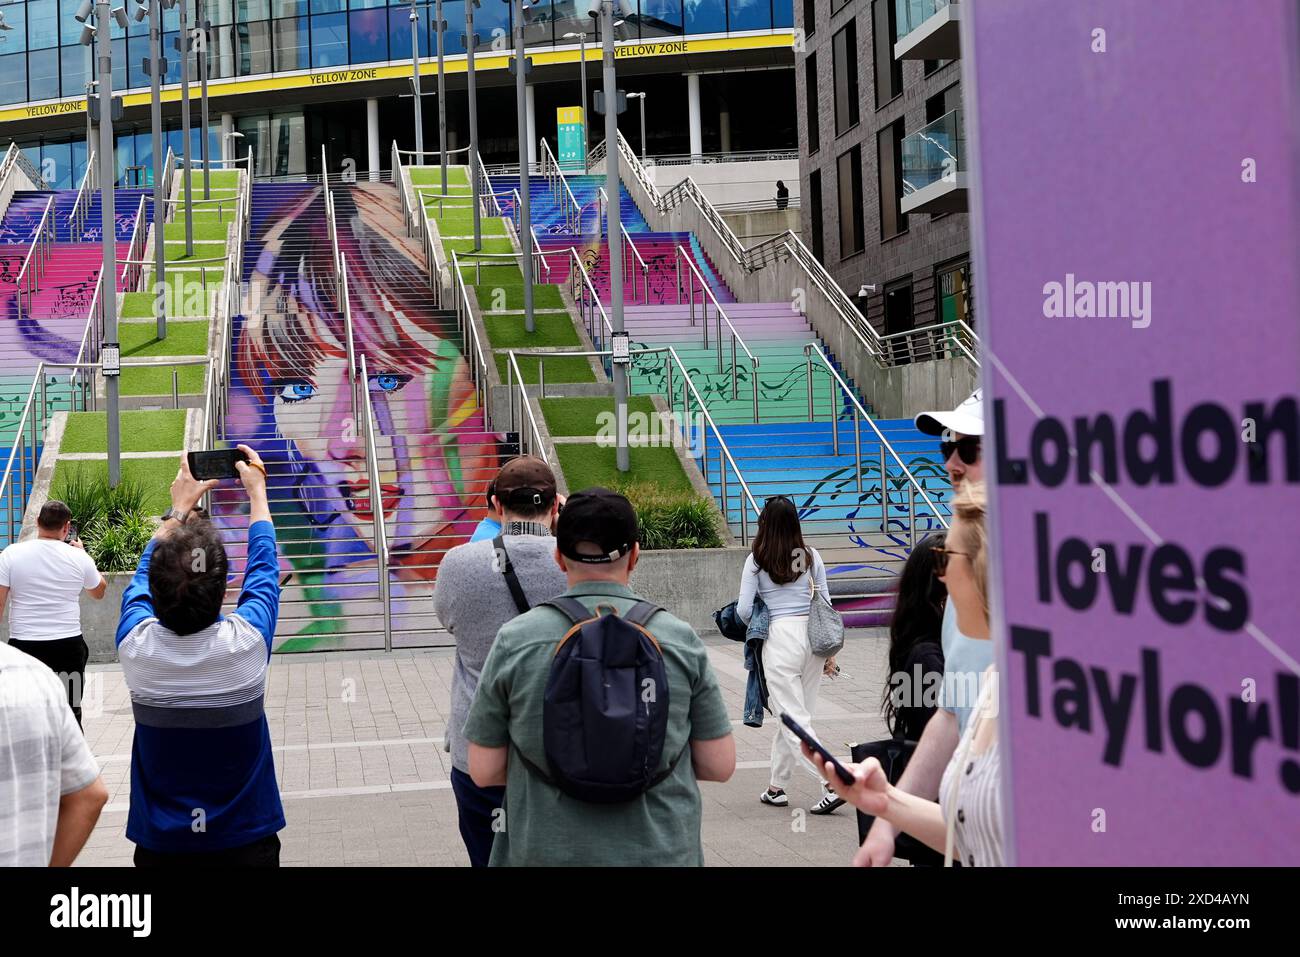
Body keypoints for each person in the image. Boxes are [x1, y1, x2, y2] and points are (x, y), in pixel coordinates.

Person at [226, 183, 500, 651]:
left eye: (387, 379)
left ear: (470, 361)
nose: (346, 443)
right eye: (297, 388)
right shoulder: (286, 619)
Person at [463, 488, 736, 866]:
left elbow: (483, 769)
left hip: (545, 853)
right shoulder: (678, 638)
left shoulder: (517, 639)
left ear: (558, 556)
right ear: (635, 555)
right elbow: (718, 765)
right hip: (661, 853)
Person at [807, 480, 1002, 866]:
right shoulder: (995, 680)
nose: (942, 575)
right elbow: (975, 835)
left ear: (984, 568)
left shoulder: (1047, 694)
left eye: (948, 558)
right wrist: (886, 805)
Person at [116, 446, 286, 867]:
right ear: (223, 589)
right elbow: (264, 570)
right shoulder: (246, 644)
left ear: (153, 595)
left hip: (162, 845)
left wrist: (178, 509)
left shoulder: (135, 647)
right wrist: (258, 494)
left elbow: (140, 578)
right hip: (246, 841)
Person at [857, 389, 993, 866]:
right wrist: (888, 824)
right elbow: (952, 714)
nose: (952, 463)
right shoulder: (962, 583)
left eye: (970, 448)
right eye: (947, 447)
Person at [433, 456, 568, 866]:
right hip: (558, 751)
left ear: (495, 503)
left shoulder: (458, 562)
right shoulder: (577, 565)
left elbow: (449, 621)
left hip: (480, 749)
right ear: (556, 505)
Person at [737, 495, 842, 815]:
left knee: (791, 718)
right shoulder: (811, 556)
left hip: (780, 638)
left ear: (764, 524)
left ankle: (831, 783)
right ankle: (776, 787)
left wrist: (759, 619)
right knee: (798, 715)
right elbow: (825, 603)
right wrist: (830, 653)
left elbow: (743, 611)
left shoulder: (757, 560)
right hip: (812, 639)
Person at [0, 500, 108, 728]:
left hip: (24, 647)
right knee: (70, 710)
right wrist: (85, 555)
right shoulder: (78, 557)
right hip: (68, 647)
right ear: (67, 527)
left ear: (37, 522)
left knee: (25, 713)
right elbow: (99, 592)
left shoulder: (11, 554)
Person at [0, 640, 108, 865]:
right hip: (28, 642)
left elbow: (98, 601)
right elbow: (91, 797)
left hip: (66, 642)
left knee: (68, 724)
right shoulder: (34, 676)